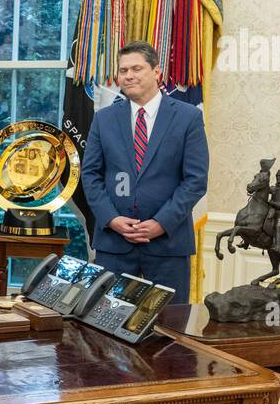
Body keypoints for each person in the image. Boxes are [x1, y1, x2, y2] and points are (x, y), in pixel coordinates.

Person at [81, 41, 208, 304]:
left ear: (157, 72)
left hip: (167, 245)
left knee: (168, 330)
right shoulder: (104, 119)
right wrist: (112, 219)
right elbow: (90, 175)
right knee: (105, 325)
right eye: (123, 70)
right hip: (113, 244)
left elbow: (195, 181)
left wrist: (161, 224)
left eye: (136, 68)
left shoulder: (187, 117)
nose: (128, 75)